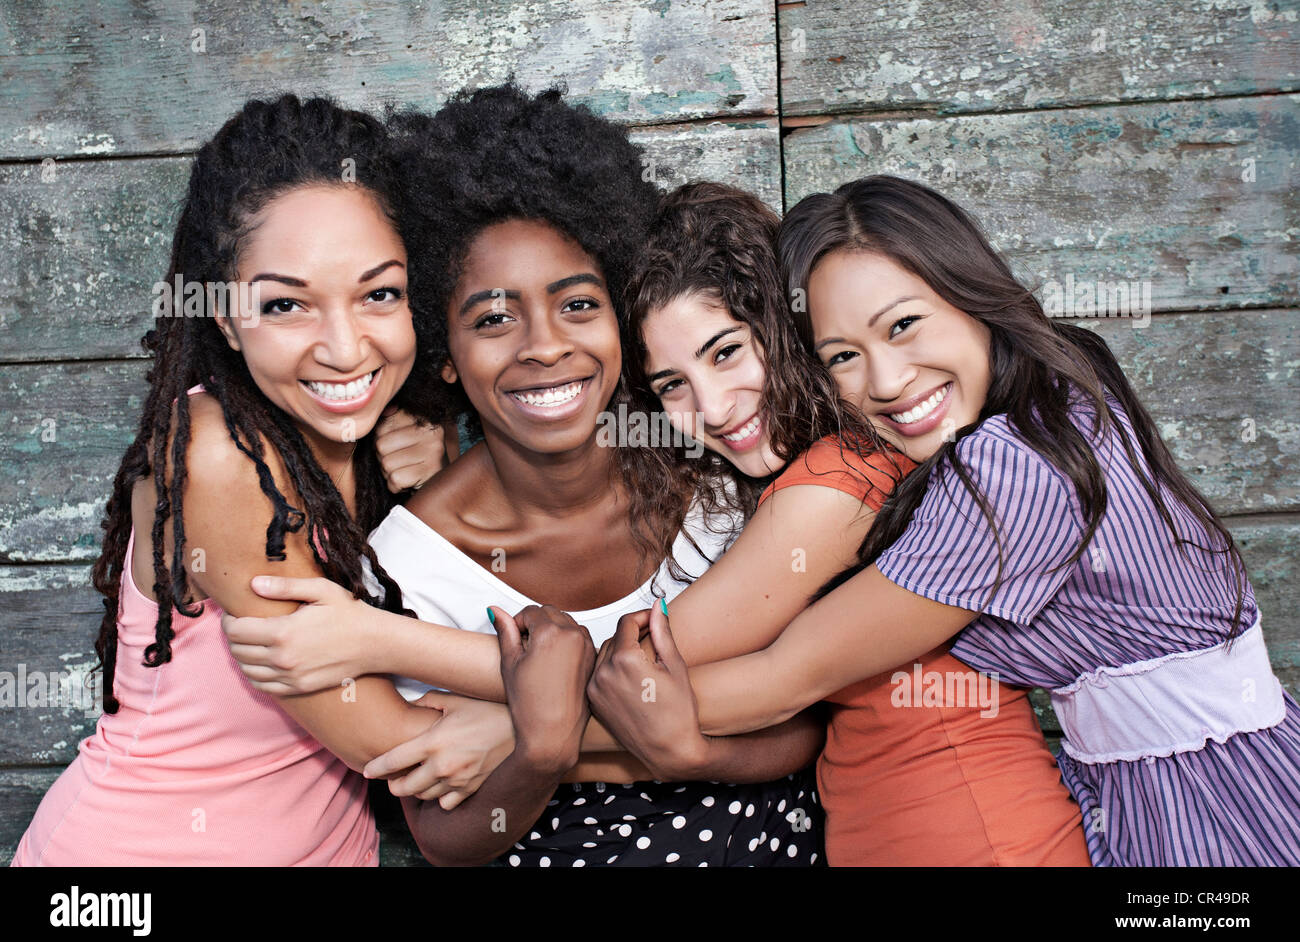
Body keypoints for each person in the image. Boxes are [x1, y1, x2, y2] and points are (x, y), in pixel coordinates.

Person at [601, 174, 1300, 867]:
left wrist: (534, 731)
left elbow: (788, 676)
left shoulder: (1006, 469)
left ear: (970, 293)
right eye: (843, 356)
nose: (887, 381)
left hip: (1210, 810)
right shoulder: (1064, 379)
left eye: (903, 325)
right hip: (1171, 784)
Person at [226, 85, 826, 867]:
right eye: (493, 319)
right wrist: (534, 755)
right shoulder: (410, 568)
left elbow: (807, 722)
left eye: (577, 304)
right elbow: (443, 837)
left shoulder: (712, 467)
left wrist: (693, 756)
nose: (543, 345)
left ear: (621, 318)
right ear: (441, 354)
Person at [11, 95, 453, 866]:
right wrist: (543, 713)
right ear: (223, 319)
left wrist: (435, 474)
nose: (345, 348)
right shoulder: (219, 456)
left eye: (378, 293)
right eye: (285, 304)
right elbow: (388, 742)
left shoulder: (367, 443)